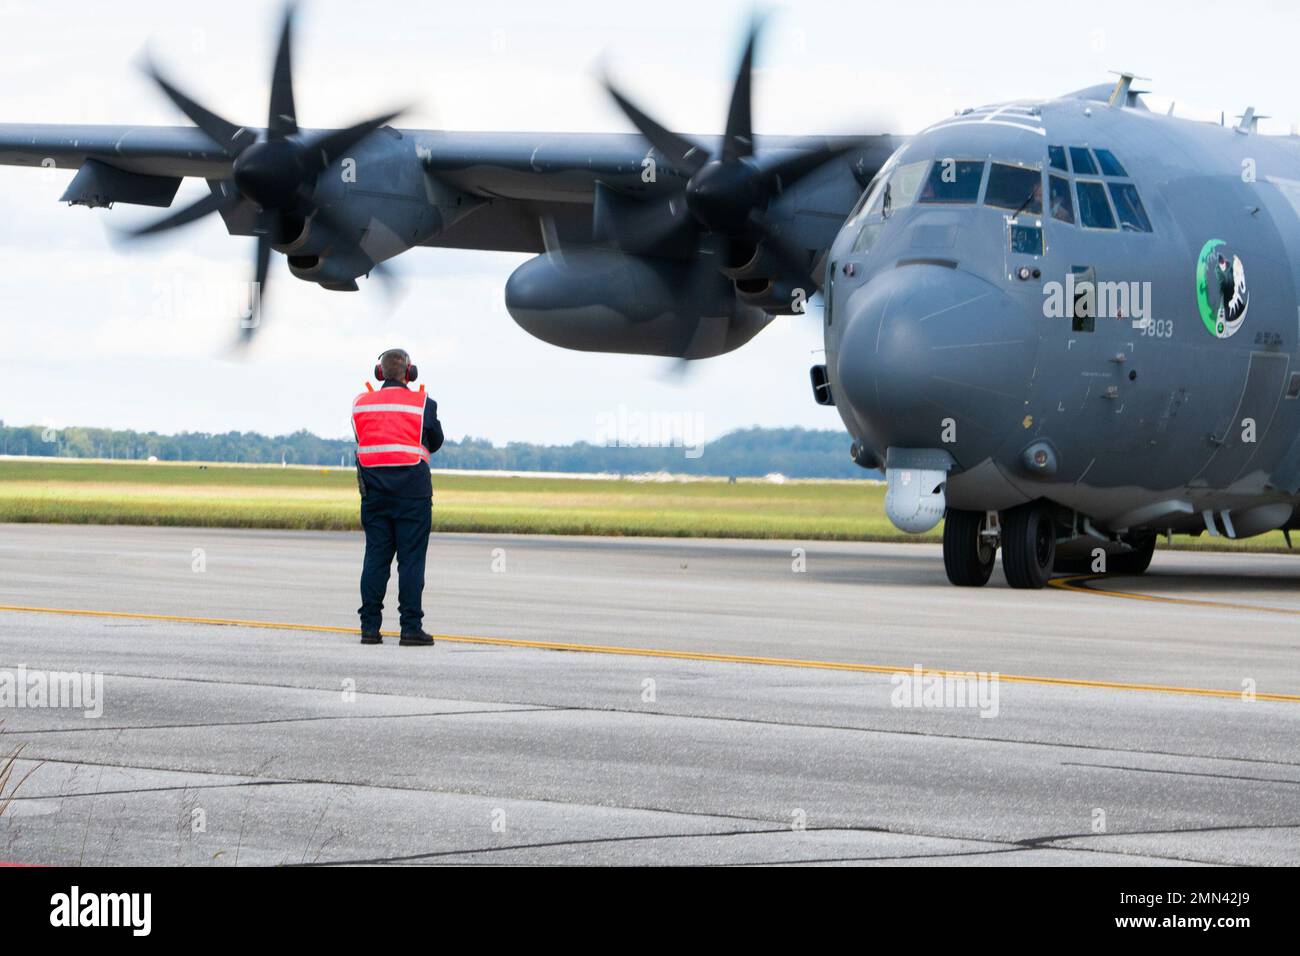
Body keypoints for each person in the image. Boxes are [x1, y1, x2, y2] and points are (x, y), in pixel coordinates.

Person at [350, 348, 444, 646]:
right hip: (413, 495)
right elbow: (436, 441)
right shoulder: (423, 403)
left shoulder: (361, 404)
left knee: (376, 558)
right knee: (411, 561)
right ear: (410, 373)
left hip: (375, 494)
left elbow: (363, 438)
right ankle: (410, 628)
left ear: (379, 373)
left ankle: (369, 628)